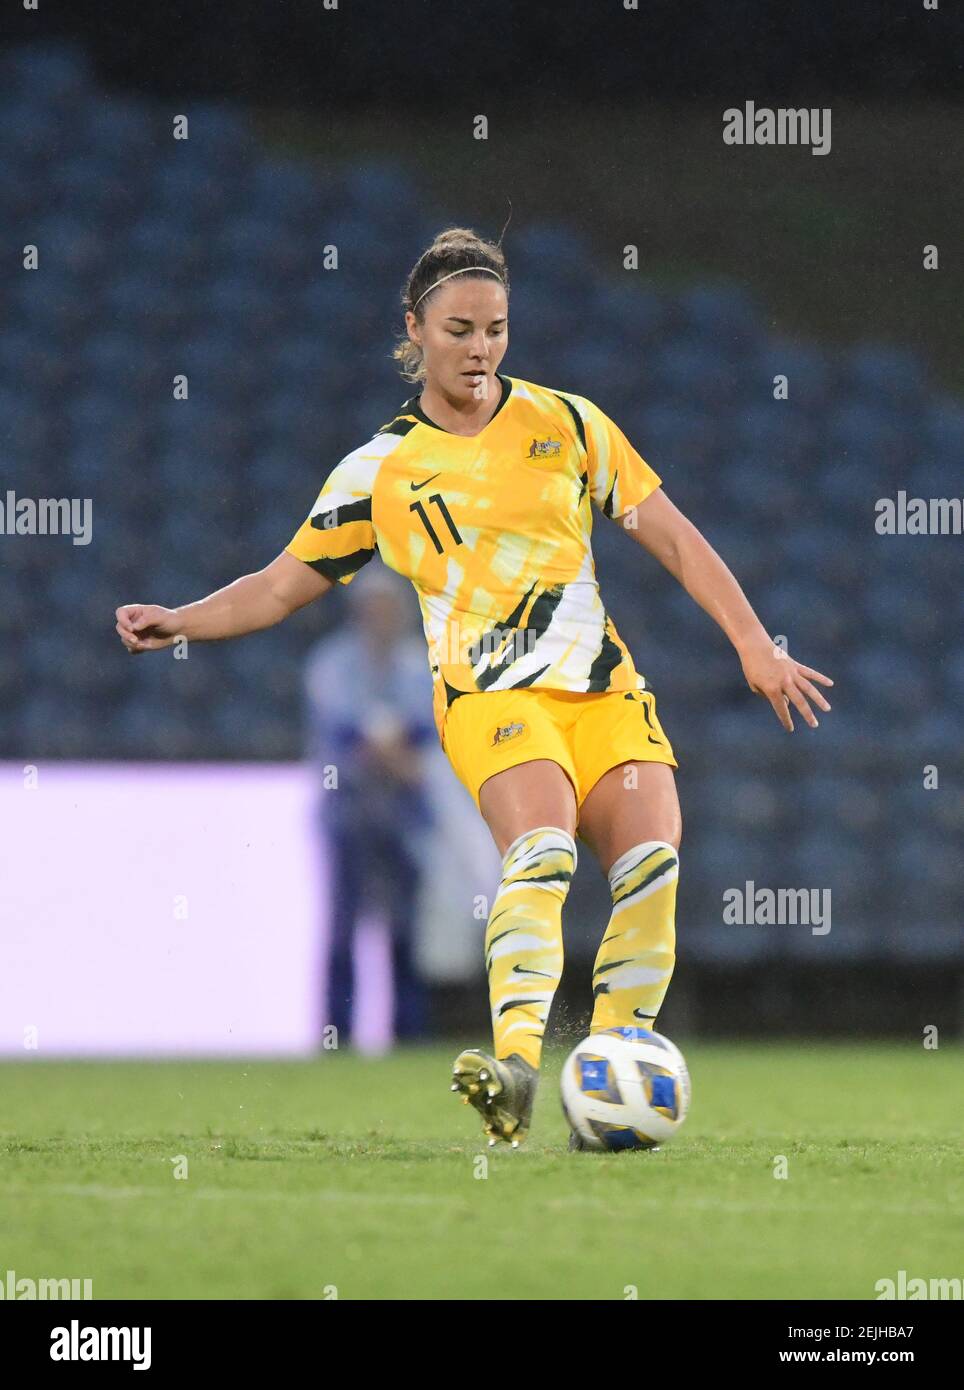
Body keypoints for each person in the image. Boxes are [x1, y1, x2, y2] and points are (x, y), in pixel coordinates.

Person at [115, 226, 833, 1150]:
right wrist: (180, 617)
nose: (481, 348)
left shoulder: (569, 424)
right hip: (492, 700)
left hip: (605, 692)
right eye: (459, 329)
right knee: (541, 856)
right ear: (413, 329)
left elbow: (675, 539)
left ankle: (610, 1078)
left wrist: (753, 644)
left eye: (495, 328)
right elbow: (280, 584)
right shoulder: (380, 469)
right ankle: (518, 1071)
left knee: (652, 867)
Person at [303, 563, 434, 1045]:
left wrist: (390, 748)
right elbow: (347, 731)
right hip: (348, 812)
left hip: (404, 815)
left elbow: (425, 727)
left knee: (405, 929)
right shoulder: (333, 663)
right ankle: (338, 1034)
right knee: (342, 928)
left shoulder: (418, 663)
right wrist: (394, 753)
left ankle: (408, 1035)